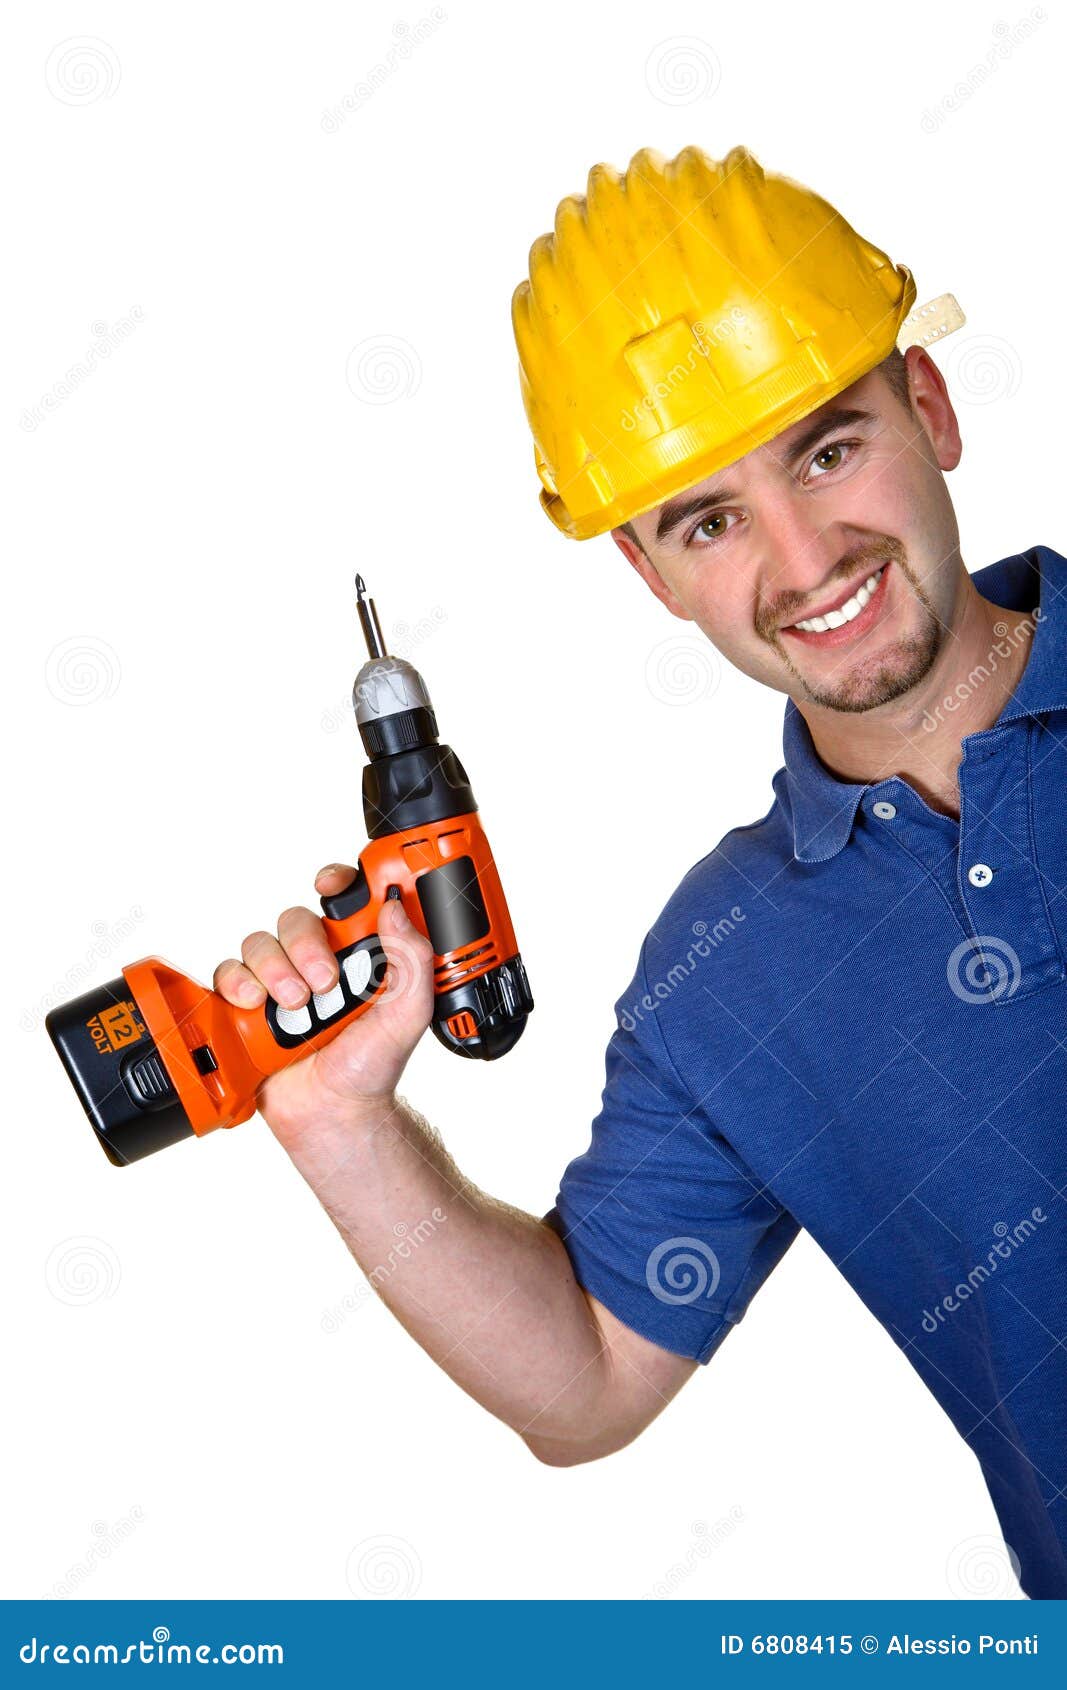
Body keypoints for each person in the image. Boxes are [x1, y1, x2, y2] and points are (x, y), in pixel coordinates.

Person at [211, 147, 1066, 1599]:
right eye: (708, 519)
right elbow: (589, 1374)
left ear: (930, 407)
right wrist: (344, 1125)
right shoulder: (726, 969)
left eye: (828, 446)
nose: (805, 559)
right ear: (653, 576)